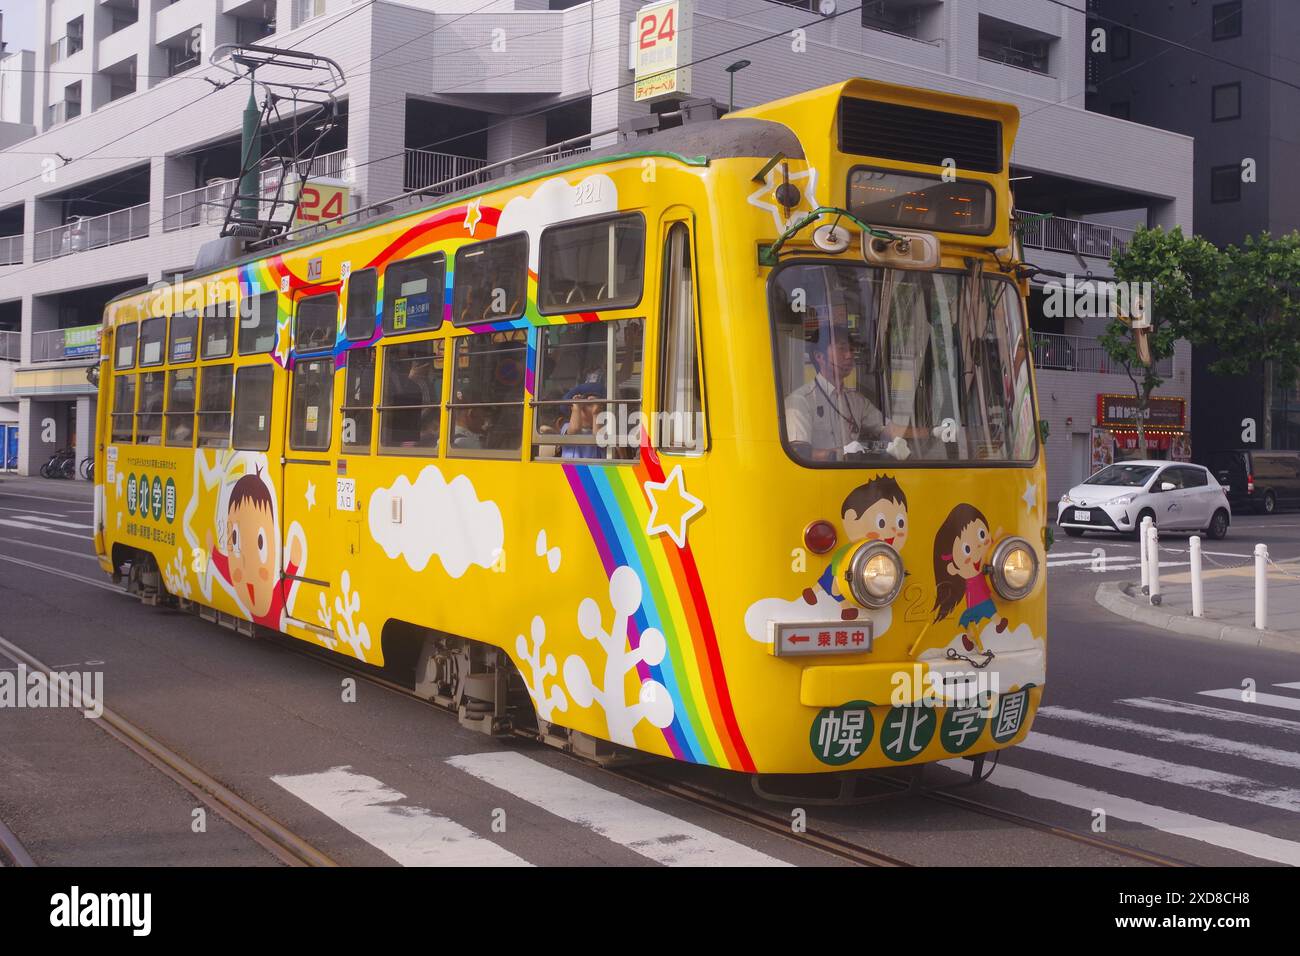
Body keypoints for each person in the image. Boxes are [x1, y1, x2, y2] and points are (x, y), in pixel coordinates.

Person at [784, 321, 911, 462]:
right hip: (817, 480)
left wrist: (934, 432)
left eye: (851, 350)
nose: (850, 355)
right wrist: (840, 454)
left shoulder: (856, 400)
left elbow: (892, 430)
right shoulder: (800, 400)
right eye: (842, 349)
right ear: (819, 356)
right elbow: (799, 453)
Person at [560, 382, 604, 460]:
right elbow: (574, 430)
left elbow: (598, 438)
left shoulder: (602, 428)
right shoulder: (566, 426)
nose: (594, 408)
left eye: (595, 405)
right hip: (572, 469)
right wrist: (576, 408)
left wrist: (596, 413)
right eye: (589, 405)